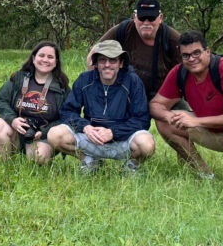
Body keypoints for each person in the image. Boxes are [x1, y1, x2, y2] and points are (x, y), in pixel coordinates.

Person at [149, 30, 223, 179]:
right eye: (186, 55)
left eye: (196, 53)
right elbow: (155, 105)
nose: (191, 59)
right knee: (164, 122)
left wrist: (195, 121)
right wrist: (168, 116)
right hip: (211, 125)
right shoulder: (180, 73)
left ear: (207, 52)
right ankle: (205, 174)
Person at [48, 40, 155, 174]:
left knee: (147, 144)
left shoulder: (133, 81)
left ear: (121, 63)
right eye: (102, 60)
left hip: (122, 139)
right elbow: (67, 111)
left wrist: (112, 132)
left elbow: (142, 119)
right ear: (96, 64)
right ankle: (89, 161)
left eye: (113, 60)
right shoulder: (84, 79)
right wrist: (86, 127)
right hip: (92, 138)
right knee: (54, 134)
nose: (107, 65)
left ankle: (131, 166)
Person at [0, 41, 71, 164]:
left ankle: (34, 154)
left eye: (50, 57)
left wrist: (44, 132)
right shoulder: (19, 78)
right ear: (33, 58)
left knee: (38, 158)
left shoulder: (61, 86)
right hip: (17, 131)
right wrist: (13, 120)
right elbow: (1, 100)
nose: (45, 60)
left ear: (56, 62)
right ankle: (6, 163)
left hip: (42, 136)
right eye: (41, 55)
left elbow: (67, 116)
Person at [86, 0, 181, 101]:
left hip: (162, 97)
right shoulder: (123, 31)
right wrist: (101, 88)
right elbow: (92, 56)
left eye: (151, 18)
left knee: (179, 115)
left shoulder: (172, 38)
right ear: (135, 17)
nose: (146, 23)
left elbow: (189, 70)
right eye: (142, 18)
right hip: (126, 95)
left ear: (160, 18)